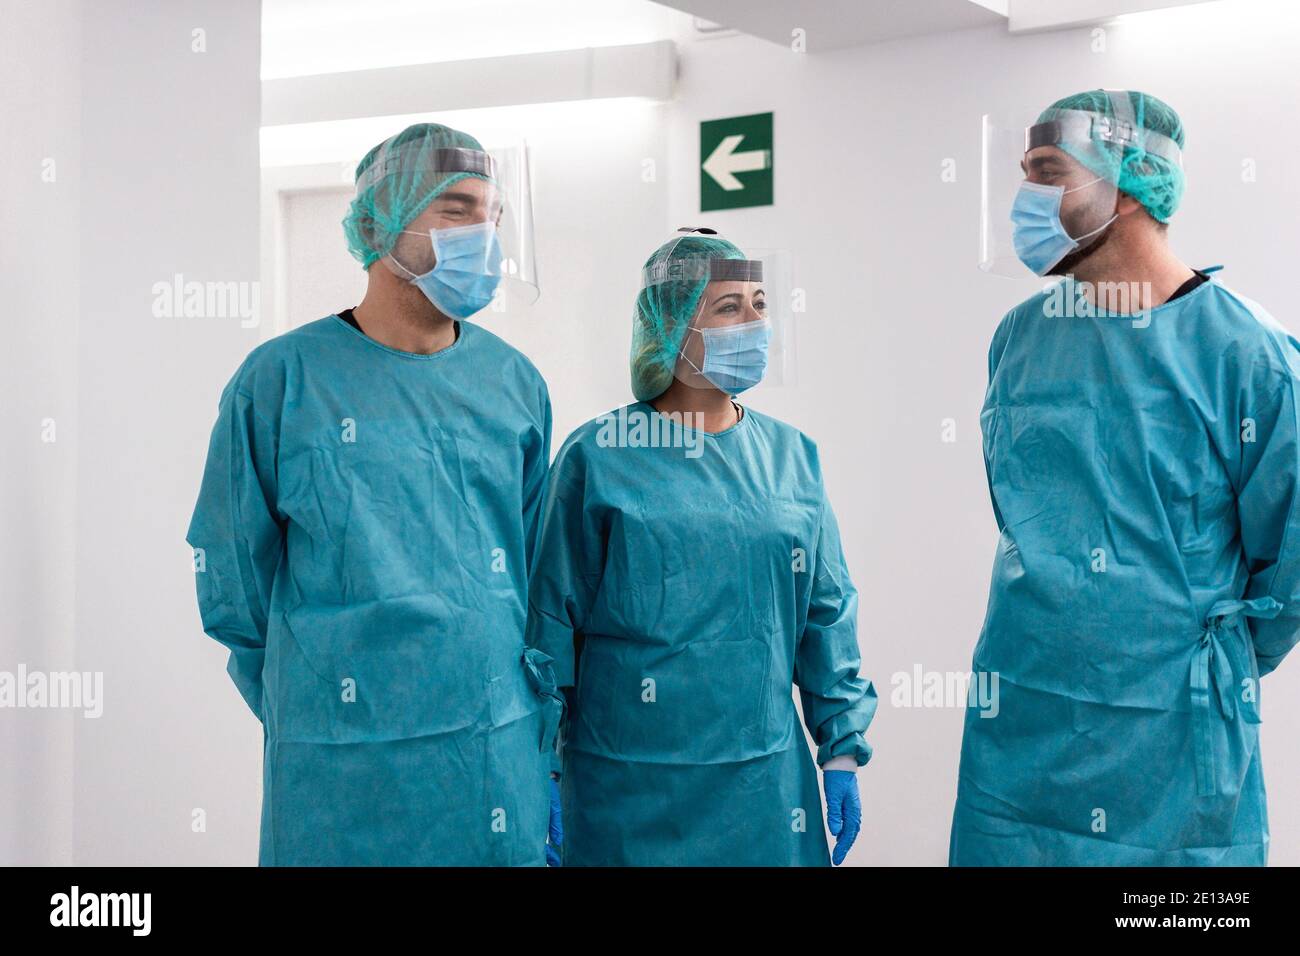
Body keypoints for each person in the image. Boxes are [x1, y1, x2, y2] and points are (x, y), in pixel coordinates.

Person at [186, 123, 562, 866]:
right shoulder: (281, 382)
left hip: (494, 746)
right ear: (377, 224)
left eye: (492, 215)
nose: (481, 234)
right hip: (339, 762)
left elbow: (537, 573)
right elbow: (234, 575)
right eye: (456, 210)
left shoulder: (516, 384)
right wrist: (316, 690)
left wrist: (546, 749)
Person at [951, 91, 1300, 865]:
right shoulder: (1020, 338)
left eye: (1048, 172)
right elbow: (1024, 517)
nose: (1027, 199)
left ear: (1133, 181)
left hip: (1172, 739)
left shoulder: (1248, 355)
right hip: (1023, 721)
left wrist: (1189, 658)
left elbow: (1294, 568)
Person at [525, 229, 877, 866]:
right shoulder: (598, 456)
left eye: (761, 305)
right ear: (673, 325)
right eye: (728, 308)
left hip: (763, 787)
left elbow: (826, 611)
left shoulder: (793, 458)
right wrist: (542, 765)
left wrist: (842, 746)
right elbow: (551, 620)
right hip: (628, 788)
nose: (753, 324)